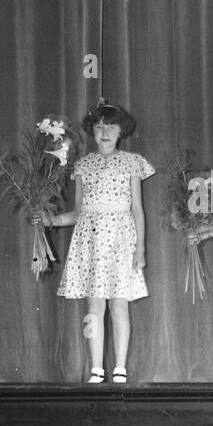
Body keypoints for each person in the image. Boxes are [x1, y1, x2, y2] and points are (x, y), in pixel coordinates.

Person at [46, 101, 154, 383]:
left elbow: (137, 210)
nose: (104, 132)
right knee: (94, 307)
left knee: (119, 304)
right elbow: (78, 211)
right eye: (98, 126)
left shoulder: (132, 162)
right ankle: (96, 367)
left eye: (111, 126)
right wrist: (50, 220)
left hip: (120, 238)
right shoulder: (83, 165)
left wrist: (140, 248)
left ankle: (119, 367)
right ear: (92, 131)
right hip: (90, 240)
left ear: (121, 131)